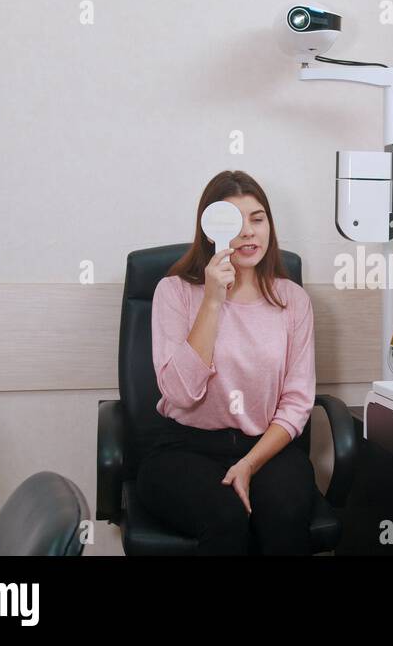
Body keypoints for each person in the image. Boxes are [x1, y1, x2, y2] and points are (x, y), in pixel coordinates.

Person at [136, 170, 317, 555]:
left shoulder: (293, 300)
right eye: (236, 221)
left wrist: (249, 464)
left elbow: (297, 403)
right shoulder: (174, 292)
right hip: (184, 448)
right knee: (226, 517)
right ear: (211, 229)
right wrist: (213, 301)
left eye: (258, 218)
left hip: (266, 447)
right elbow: (181, 394)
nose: (249, 232)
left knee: (284, 514)